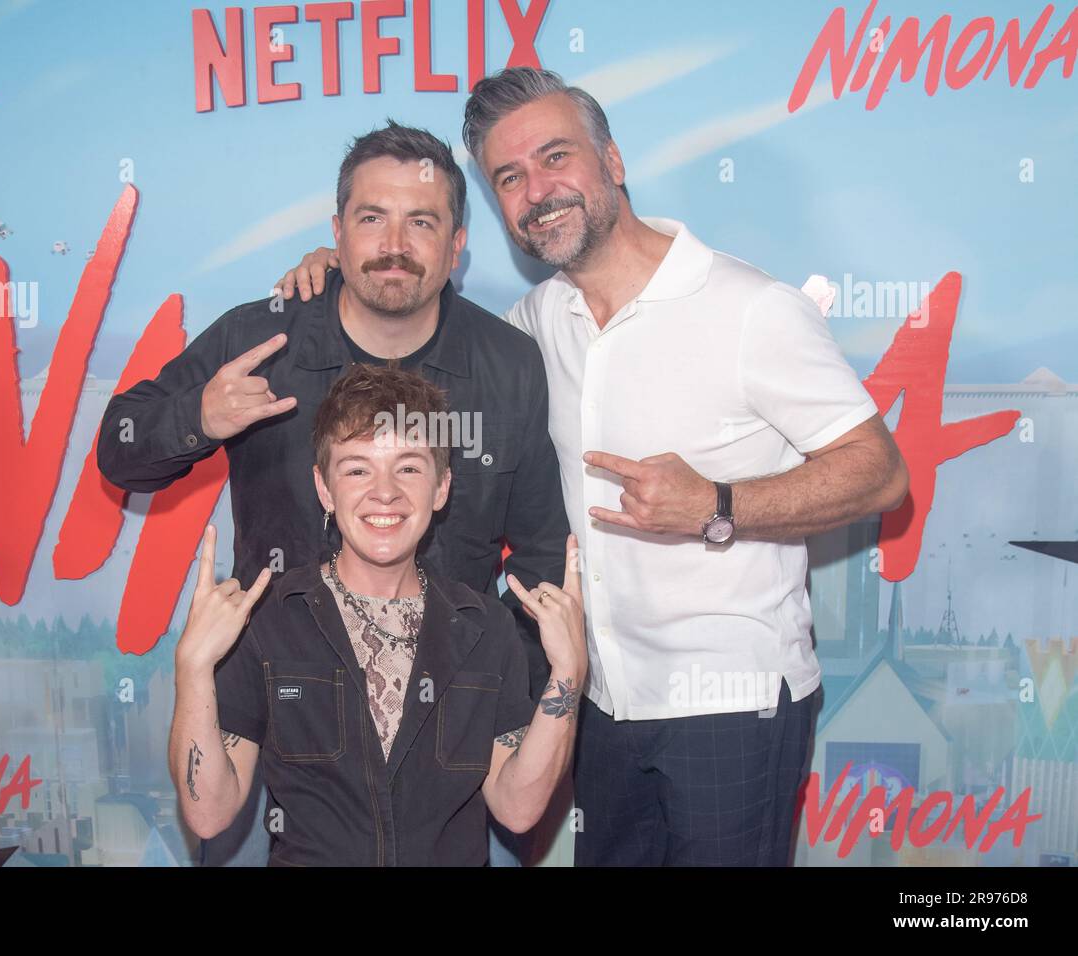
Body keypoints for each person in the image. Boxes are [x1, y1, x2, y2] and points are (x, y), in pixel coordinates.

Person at [274, 68, 910, 866]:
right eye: (510, 178)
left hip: (731, 702)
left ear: (611, 158)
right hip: (599, 705)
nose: (538, 190)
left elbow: (880, 474)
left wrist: (715, 503)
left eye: (555, 158)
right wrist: (339, 271)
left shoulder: (749, 307)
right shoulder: (533, 327)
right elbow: (413, 325)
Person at [97, 120, 569, 865]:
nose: (393, 244)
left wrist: (495, 690)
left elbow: (544, 557)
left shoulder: (506, 365)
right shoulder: (264, 344)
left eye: (422, 222)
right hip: (283, 710)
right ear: (337, 233)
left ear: (456, 247)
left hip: (443, 734)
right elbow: (119, 450)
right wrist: (198, 416)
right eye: (371, 218)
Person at [168, 364, 585, 865]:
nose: (384, 492)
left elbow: (518, 809)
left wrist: (568, 674)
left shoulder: (486, 627)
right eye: (357, 468)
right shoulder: (268, 622)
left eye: (408, 467)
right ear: (325, 488)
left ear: (441, 487)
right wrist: (192, 668)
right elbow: (208, 814)